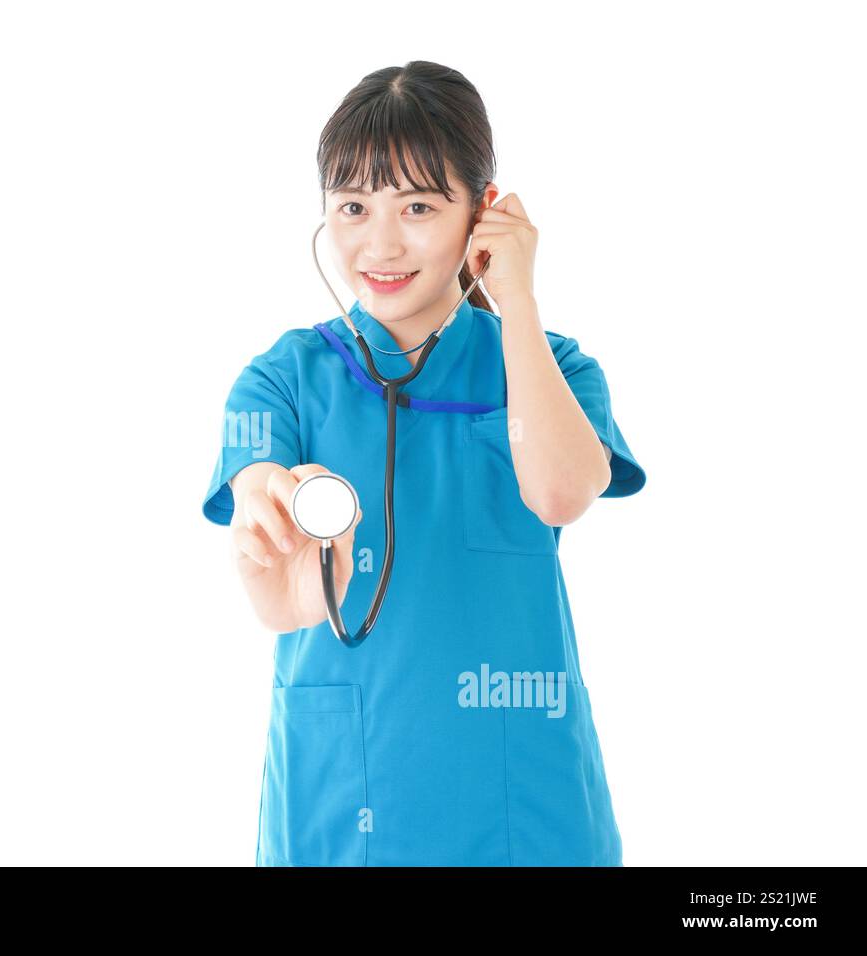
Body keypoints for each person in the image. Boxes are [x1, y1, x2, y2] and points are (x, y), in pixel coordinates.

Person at [201, 61, 646, 866]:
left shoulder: (555, 370)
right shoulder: (283, 379)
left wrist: (517, 304)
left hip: (524, 805)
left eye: (418, 206)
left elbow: (561, 491)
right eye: (353, 207)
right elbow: (258, 500)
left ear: (483, 212)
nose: (380, 243)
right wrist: (275, 509)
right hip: (340, 798)